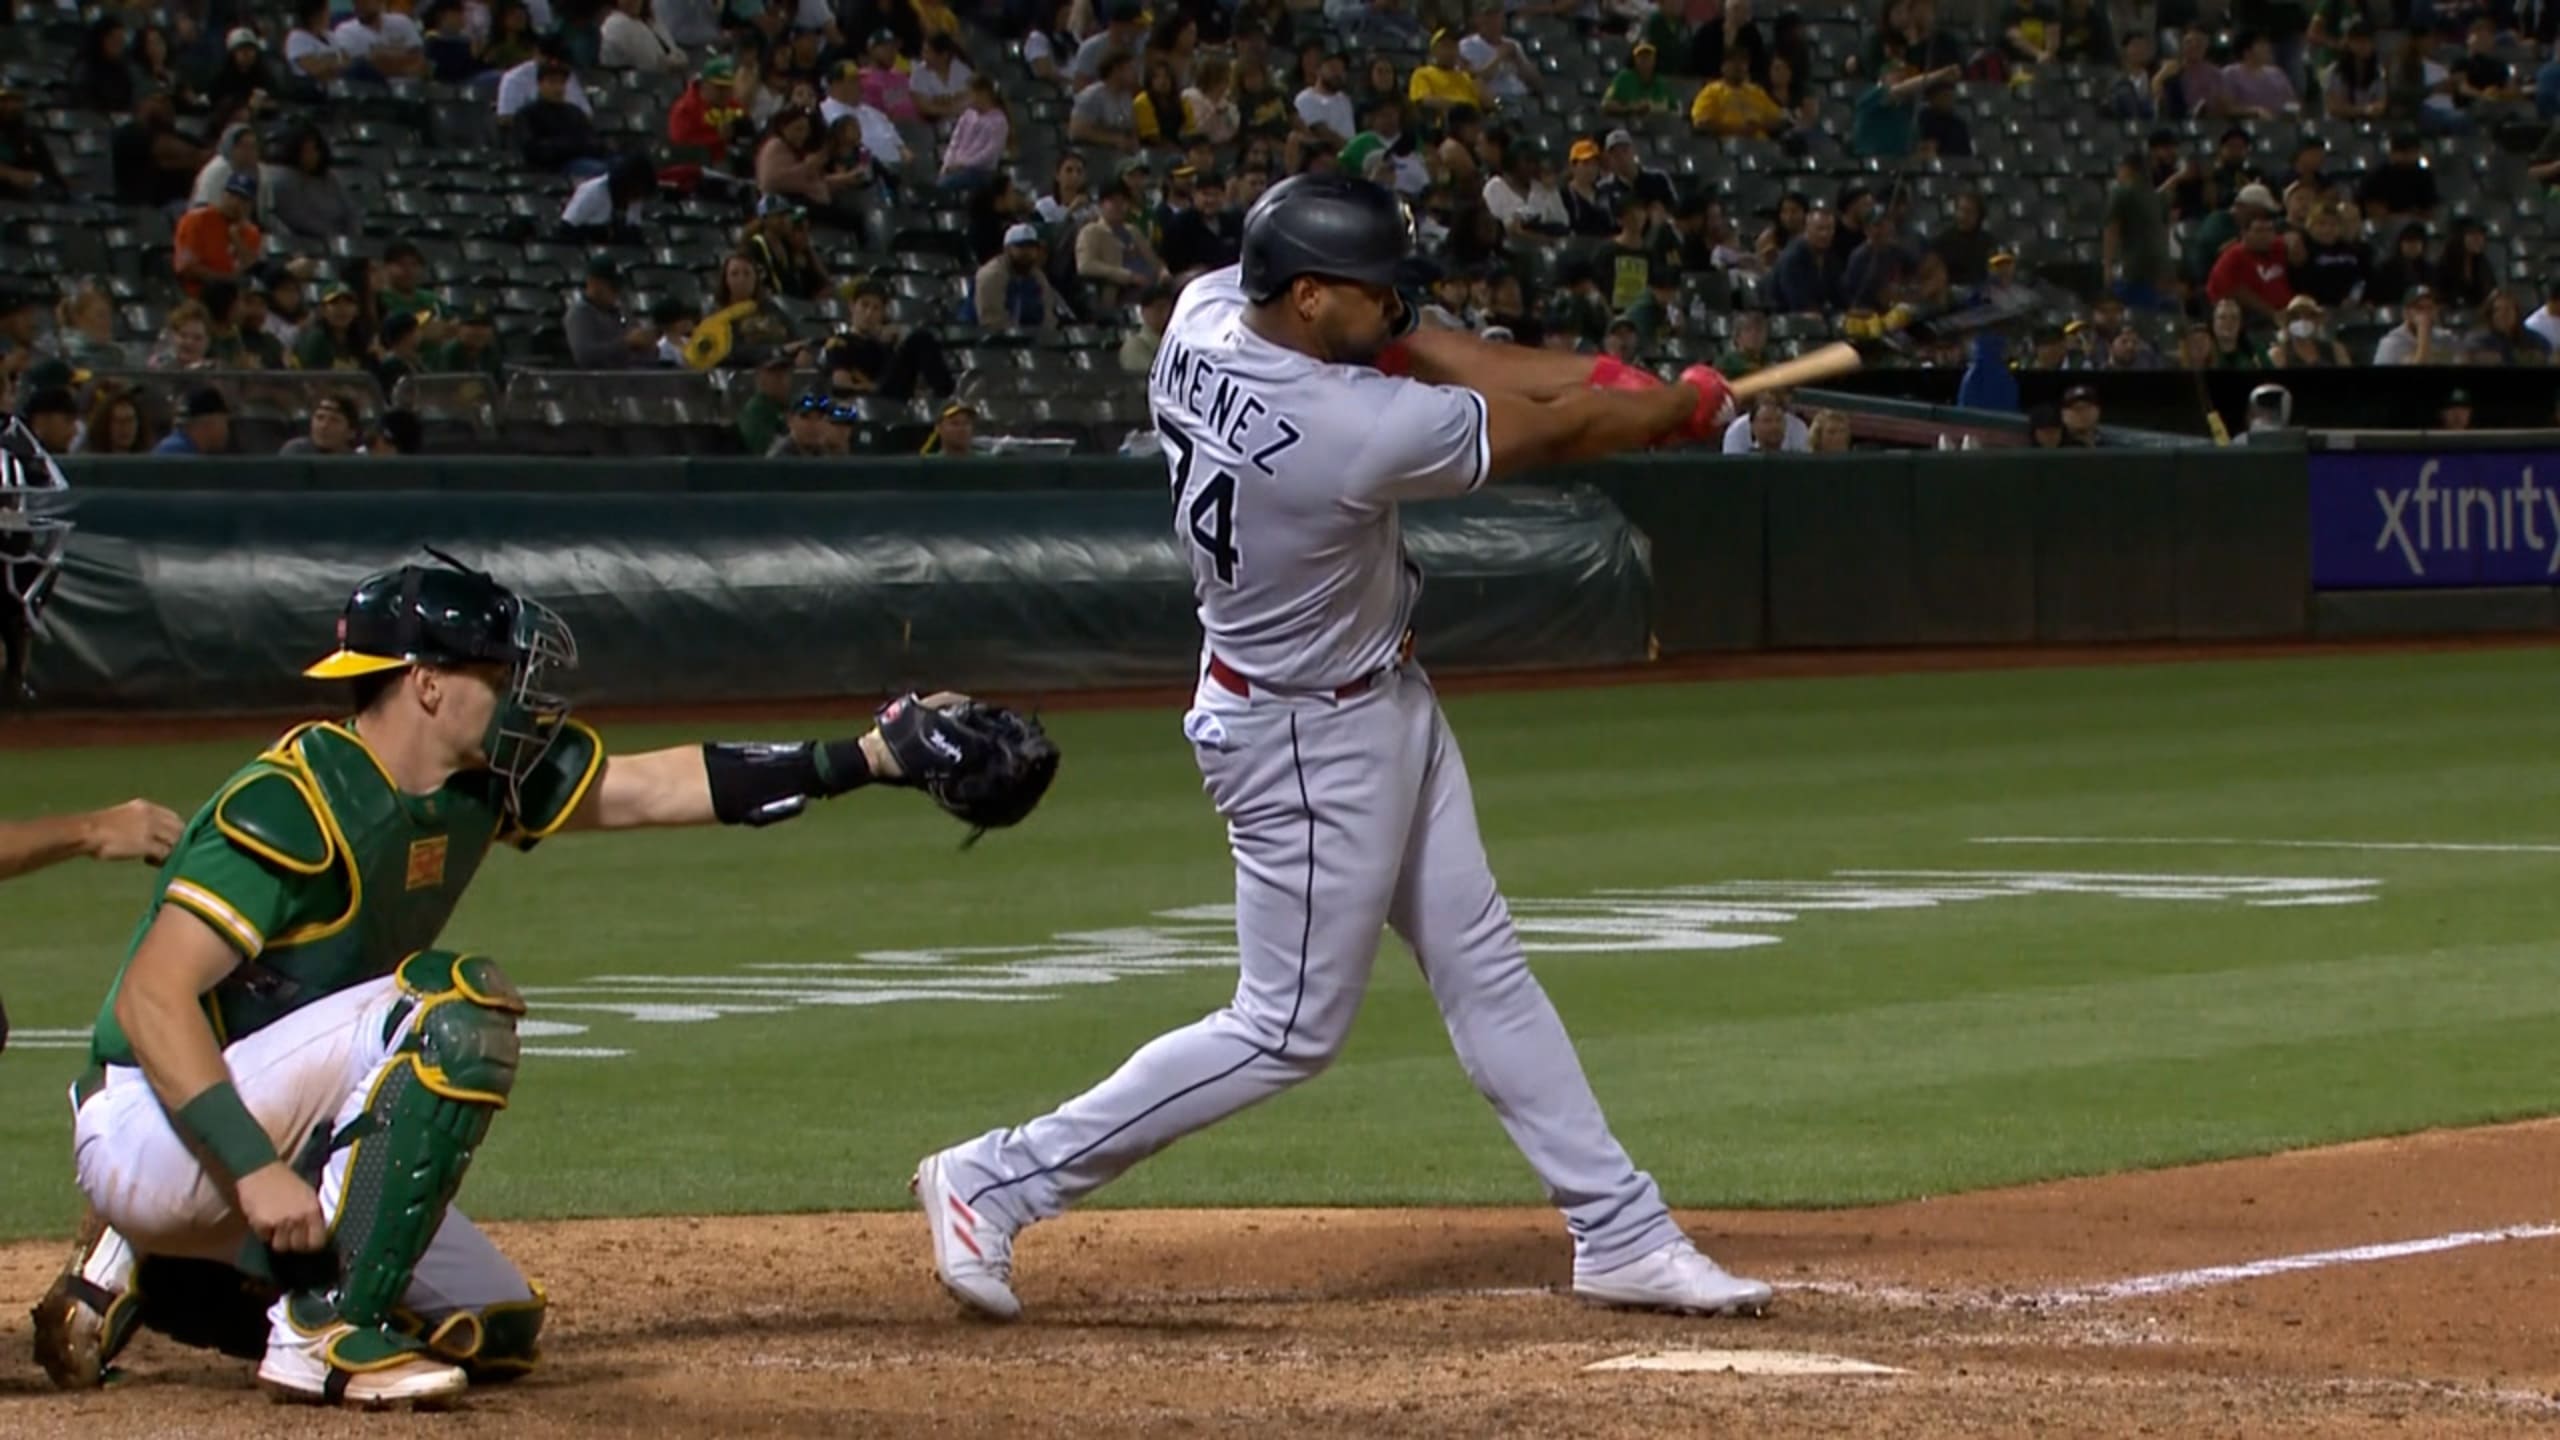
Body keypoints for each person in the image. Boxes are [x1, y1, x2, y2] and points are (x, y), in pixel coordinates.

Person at [912, 173, 1769, 1329]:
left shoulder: (1208, 312)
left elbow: (1437, 351)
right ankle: (993, 1178)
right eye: (1372, 288)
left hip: (1365, 696)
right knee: (1284, 1028)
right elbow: (1550, 429)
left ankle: (1619, 1230)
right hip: (1306, 735)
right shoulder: (1344, 432)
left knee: (1483, 965)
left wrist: (1631, 385)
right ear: (1311, 295)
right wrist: (1662, 410)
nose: (1394, 304)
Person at [28, 553, 1053, 1405]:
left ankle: (157, 1275)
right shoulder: (293, 802)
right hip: (160, 1134)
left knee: (497, 1330)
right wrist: (252, 1169)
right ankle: (318, 1333)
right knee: (450, 1010)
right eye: (495, 672)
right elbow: (149, 1002)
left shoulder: (482, 782)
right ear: (426, 681)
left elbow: (653, 788)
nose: (518, 693)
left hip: (272, 1127)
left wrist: (862, 758)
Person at [153, 387, 231, 455]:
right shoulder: (179, 454)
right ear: (209, 423)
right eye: (224, 422)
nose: (226, 430)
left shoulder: (178, 447)